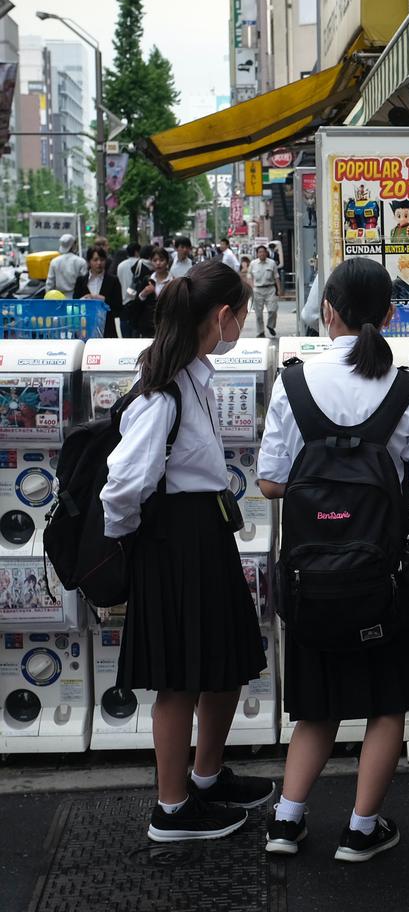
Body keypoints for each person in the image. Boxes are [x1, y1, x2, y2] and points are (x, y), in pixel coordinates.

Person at [257, 260, 409, 862]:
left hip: (311, 578)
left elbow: (269, 483)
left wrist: (324, 488)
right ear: (390, 315)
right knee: (385, 704)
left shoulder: (293, 384)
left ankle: (287, 822)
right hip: (384, 578)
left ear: (329, 311)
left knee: (317, 705)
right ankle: (362, 830)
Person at [100, 262, 270, 842]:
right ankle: (170, 808)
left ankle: (206, 776)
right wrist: (131, 541)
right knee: (180, 679)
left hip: (202, 536)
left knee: (222, 666)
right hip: (174, 544)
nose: (244, 324)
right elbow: (123, 484)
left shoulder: (197, 375)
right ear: (222, 317)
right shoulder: (164, 391)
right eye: (243, 315)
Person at [72, 245, 123, 338]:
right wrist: (83, 299)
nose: (99, 263)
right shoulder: (81, 281)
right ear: (89, 262)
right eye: (95, 260)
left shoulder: (113, 280)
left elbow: (119, 307)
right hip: (85, 329)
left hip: (108, 330)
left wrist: (104, 300)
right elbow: (75, 306)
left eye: (102, 259)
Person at [250, 244, 281, 337]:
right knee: (258, 314)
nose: (262, 254)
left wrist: (279, 289)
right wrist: (251, 288)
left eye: (263, 252)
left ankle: (270, 326)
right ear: (257, 254)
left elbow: (276, 277)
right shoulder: (253, 264)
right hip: (257, 290)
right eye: (259, 252)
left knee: (273, 310)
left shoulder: (272, 263)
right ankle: (261, 332)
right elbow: (249, 277)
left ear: (266, 253)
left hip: (270, 289)